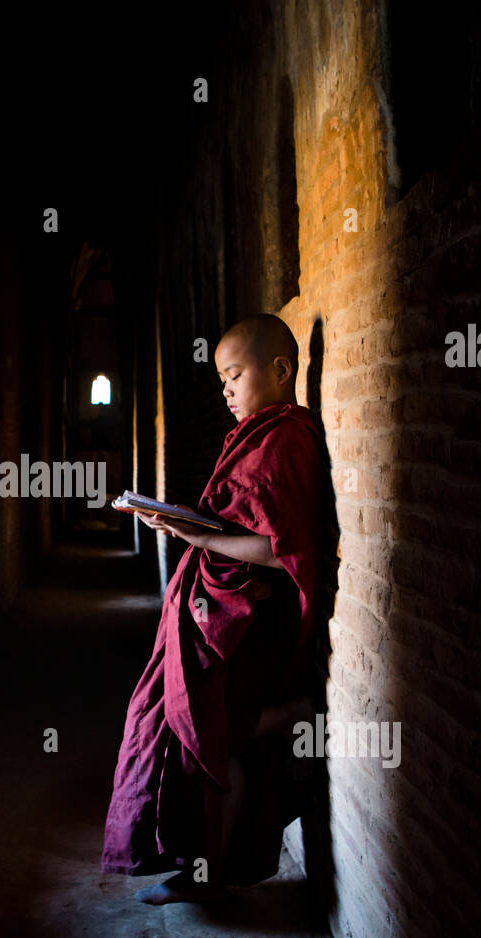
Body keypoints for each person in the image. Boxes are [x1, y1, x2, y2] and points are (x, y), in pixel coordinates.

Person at [101, 313, 327, 904]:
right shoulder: (254, 433)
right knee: (193, 732)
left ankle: (293, 715)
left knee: (208, 730)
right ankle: (205, 870)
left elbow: (283, 551)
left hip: (248, 619)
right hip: (218, 612)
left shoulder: (287, 438)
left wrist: (195, 536)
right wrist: (182, 522)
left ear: (280, 370)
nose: (225, 390)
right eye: (220, 379)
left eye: (234, 375)